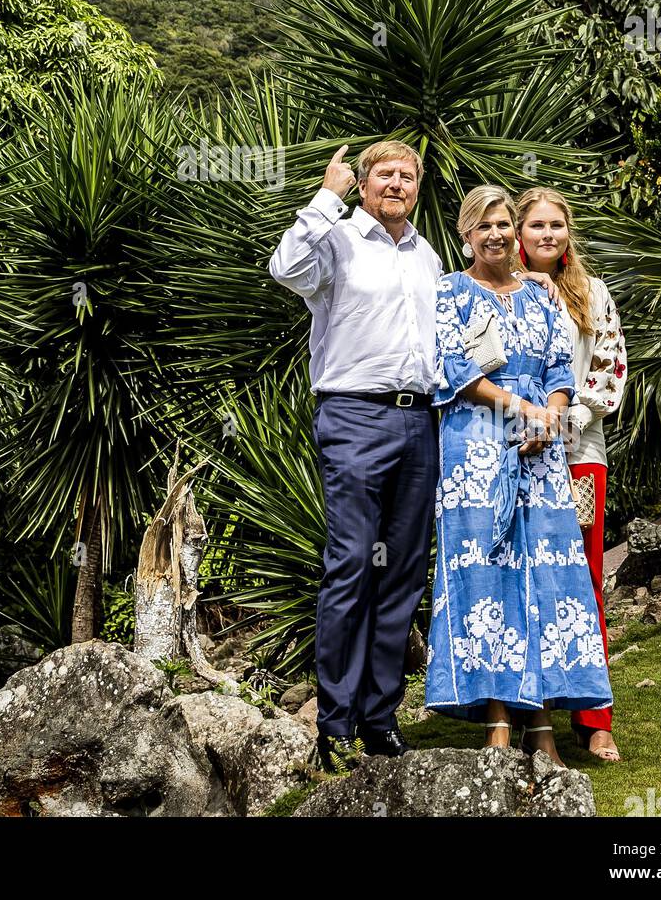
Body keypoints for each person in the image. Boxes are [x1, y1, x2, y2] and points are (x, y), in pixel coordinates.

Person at [424, 185, 613, 767]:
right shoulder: (449, 293)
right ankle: (498, 723)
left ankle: (544, 725)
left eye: (505, 224)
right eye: (484, 226)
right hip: (473, 454)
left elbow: (561, 365)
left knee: (548, 580)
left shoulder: (541, 298)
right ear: (466, 234)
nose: (497, 234)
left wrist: (551, 415)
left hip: (543, 454)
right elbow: (449, 367)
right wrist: (519, 407)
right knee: (487, 582)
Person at [268, 139, 441, 770]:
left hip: (420, 421)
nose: (396, 184)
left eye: (406, 176)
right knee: (351, 565)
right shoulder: (335, 238)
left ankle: (379, 718)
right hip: (354, 417)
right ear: (363, 183)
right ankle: (334, 723)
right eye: (383, 175)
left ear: (417, 187)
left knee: (401, 574)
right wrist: (324, 194)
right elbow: (283, 270)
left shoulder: (426, 255)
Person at [515, 186, 627, 762]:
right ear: (517, 231)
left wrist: (567, 416)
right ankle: (525, 716)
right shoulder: (496, 288)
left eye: (557, 224)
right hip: (511, 453)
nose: (548, 234)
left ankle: (594, 716)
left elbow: (610, 374)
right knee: (522, 585)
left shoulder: (591, 292)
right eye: (536, 224)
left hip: (578, 452)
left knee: (582, 581)